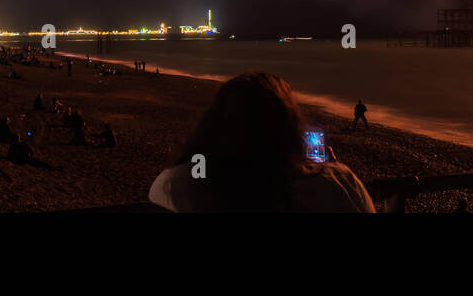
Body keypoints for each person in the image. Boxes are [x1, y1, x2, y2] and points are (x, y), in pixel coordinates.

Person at [148, 72, 374, 212]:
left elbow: (156, 191)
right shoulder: (338, 184)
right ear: (289, 127)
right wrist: (331, 170)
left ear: (216, 124)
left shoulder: (181, 184)